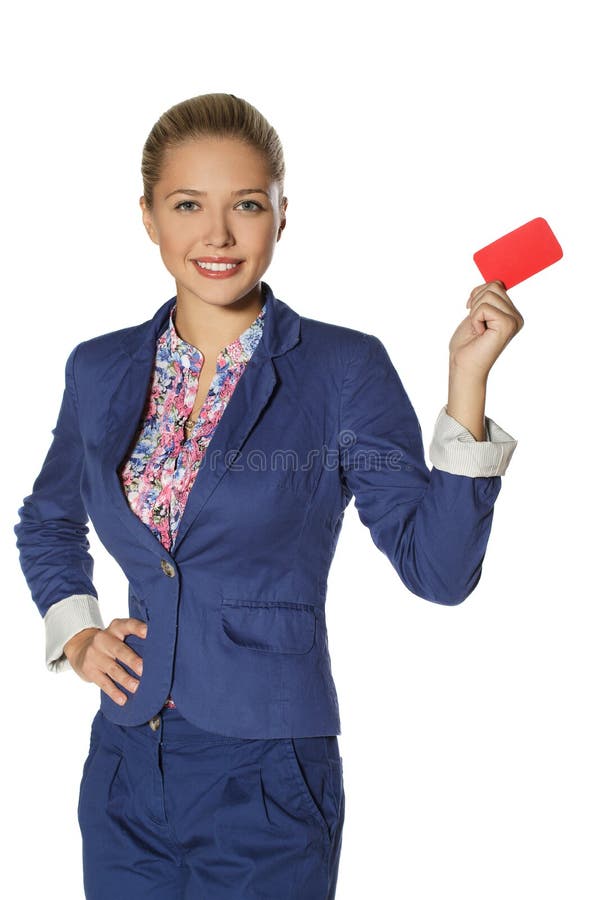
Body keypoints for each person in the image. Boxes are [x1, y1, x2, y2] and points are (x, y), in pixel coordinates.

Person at [14, 92, 523, 899]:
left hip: (267, 776)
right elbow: (48, 522)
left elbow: (440, 571)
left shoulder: (341, 369)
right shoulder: (99, 368)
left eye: (246, 205)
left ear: (283, 215)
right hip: (123, 766)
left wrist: (466, 381)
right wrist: (77, 635)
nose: (217, 236)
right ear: (148, 217)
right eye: (188, 205)